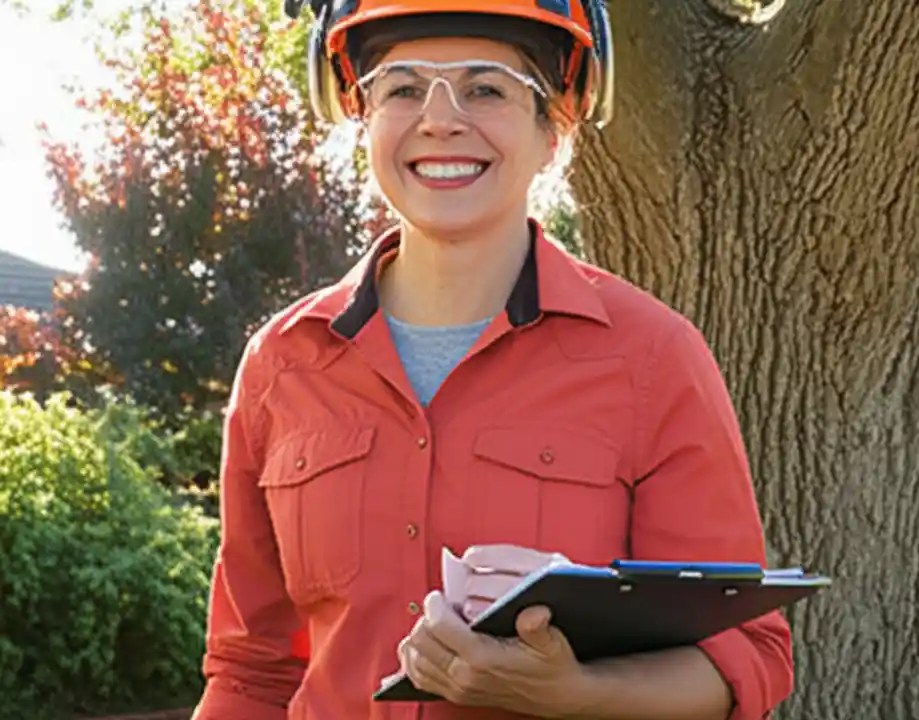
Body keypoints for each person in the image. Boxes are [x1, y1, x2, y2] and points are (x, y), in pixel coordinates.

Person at [192, 1, 794, 718]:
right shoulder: (282, 365)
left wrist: (576, 695)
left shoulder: (653, 358)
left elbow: (744, 655)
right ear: (360, 114)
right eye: (403, 87)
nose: (440, 119)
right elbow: (250, 673)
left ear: (556, 124)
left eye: (486, 88)